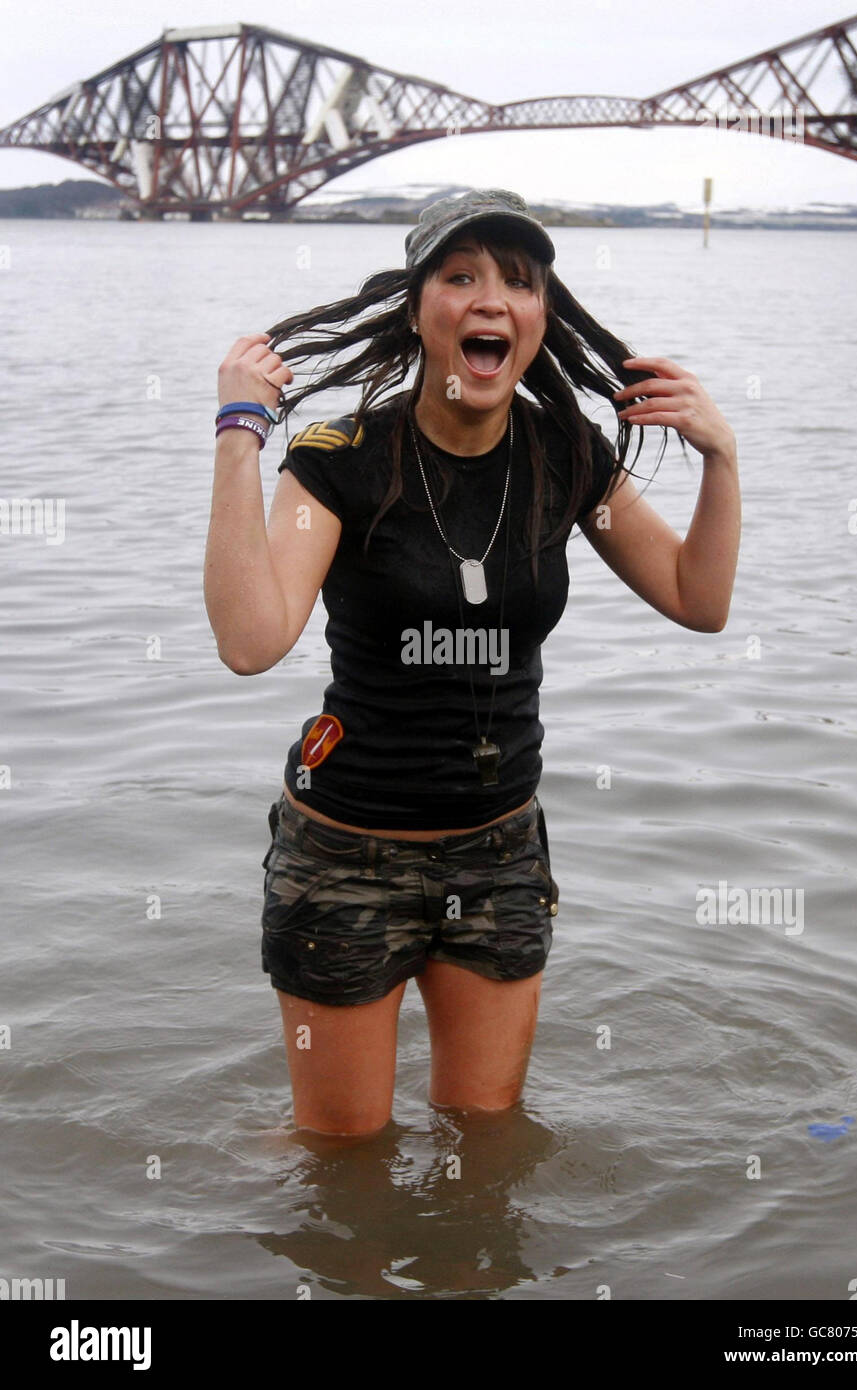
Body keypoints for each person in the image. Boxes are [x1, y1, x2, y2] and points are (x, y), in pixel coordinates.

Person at [204, 188, 740, 1138]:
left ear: (541, 316)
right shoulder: (340, 459)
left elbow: (697, 602)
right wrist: (240, 434)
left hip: (497, 856)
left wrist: (721, 459)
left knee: (487, 1148)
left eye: (518, 282)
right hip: (346, 859)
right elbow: (251, 641)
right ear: (420, 310)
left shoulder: (564, 456)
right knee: (342, 1164)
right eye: (461, 278)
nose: (492, 299)